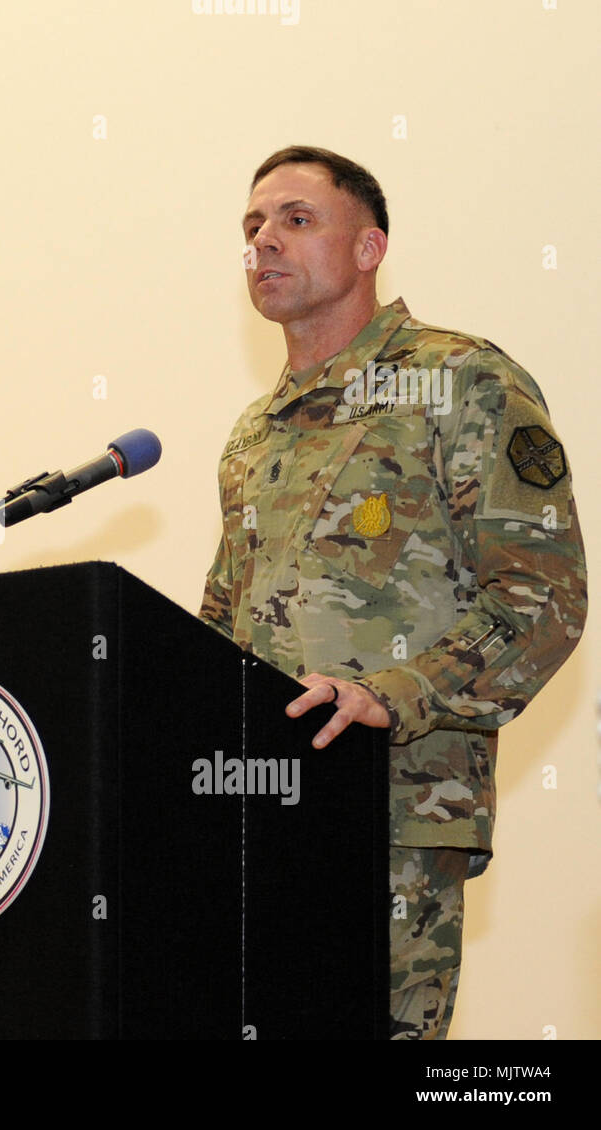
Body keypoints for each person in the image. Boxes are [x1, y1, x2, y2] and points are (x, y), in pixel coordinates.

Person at [199, 145, 587, 1039]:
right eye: (252, 226)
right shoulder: (253, 433)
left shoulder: (458, 381)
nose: (263, 242)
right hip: (257, 813)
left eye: (295, 220)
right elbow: (222, 619)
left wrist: (391, 697)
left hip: (398, 810)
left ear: (370, 248)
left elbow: (543, 596)